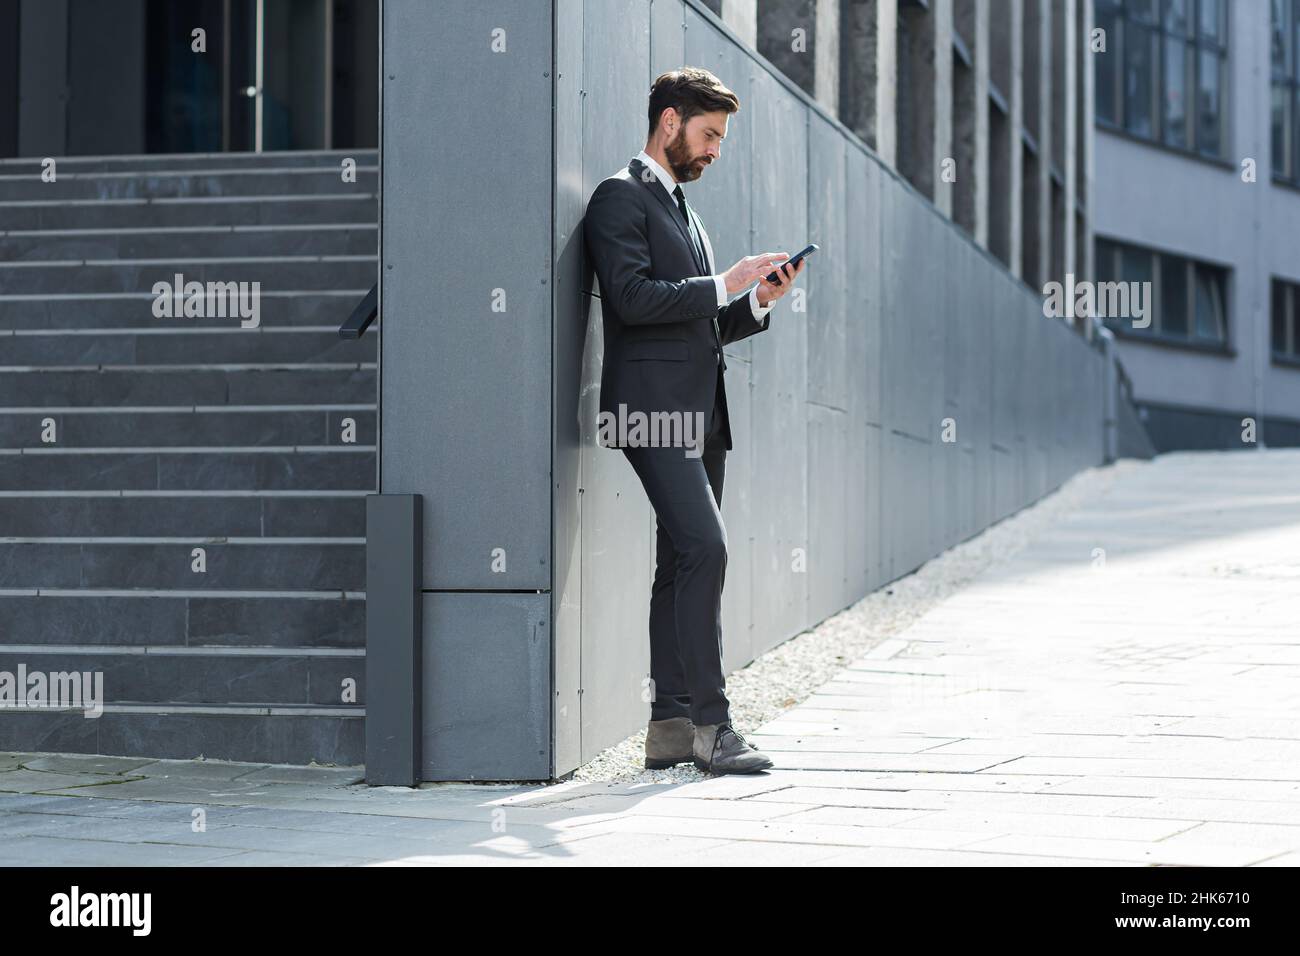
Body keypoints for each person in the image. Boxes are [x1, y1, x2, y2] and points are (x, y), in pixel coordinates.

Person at [582, 66, 807, 774]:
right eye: (709, 135)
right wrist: (724, 280)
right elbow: (630, 298)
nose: (715, 150)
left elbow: (700, 326)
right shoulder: (619, 197)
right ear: (670, 122)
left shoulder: (686, 210)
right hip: (649, 413)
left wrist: (758, 301)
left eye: (722, 139)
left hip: (699, 413)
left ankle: (670, 726)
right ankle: (714, 726)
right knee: (707, 549)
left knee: (680, 562)